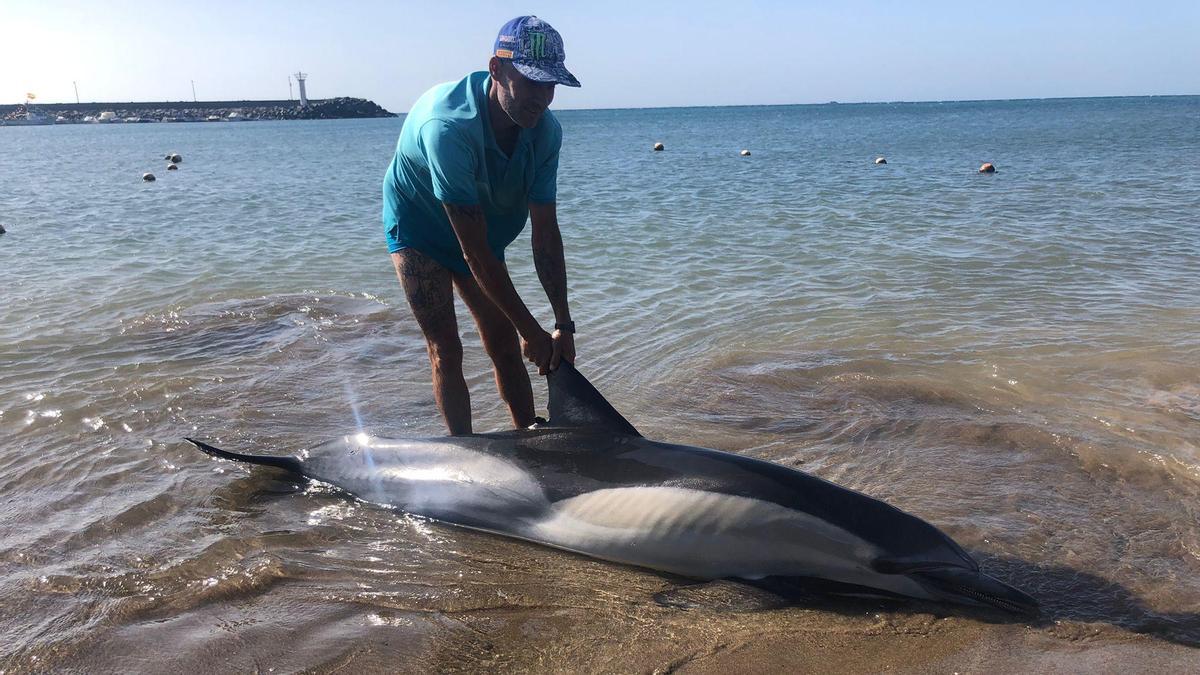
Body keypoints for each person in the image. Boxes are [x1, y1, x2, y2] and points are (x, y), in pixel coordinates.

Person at [382, 16, 581, 435]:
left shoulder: (546, 134)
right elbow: (472, 253)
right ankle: (463, 453)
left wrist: (562, 323)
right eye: (531, 82)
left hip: (481, 233)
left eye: (551, 85)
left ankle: (529, 439)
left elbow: (545, 233)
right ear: (496, 69)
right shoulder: (448, 128)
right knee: (447, 349)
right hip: (420, 229)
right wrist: (532, 330)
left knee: (504, 342)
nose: (542, 98)